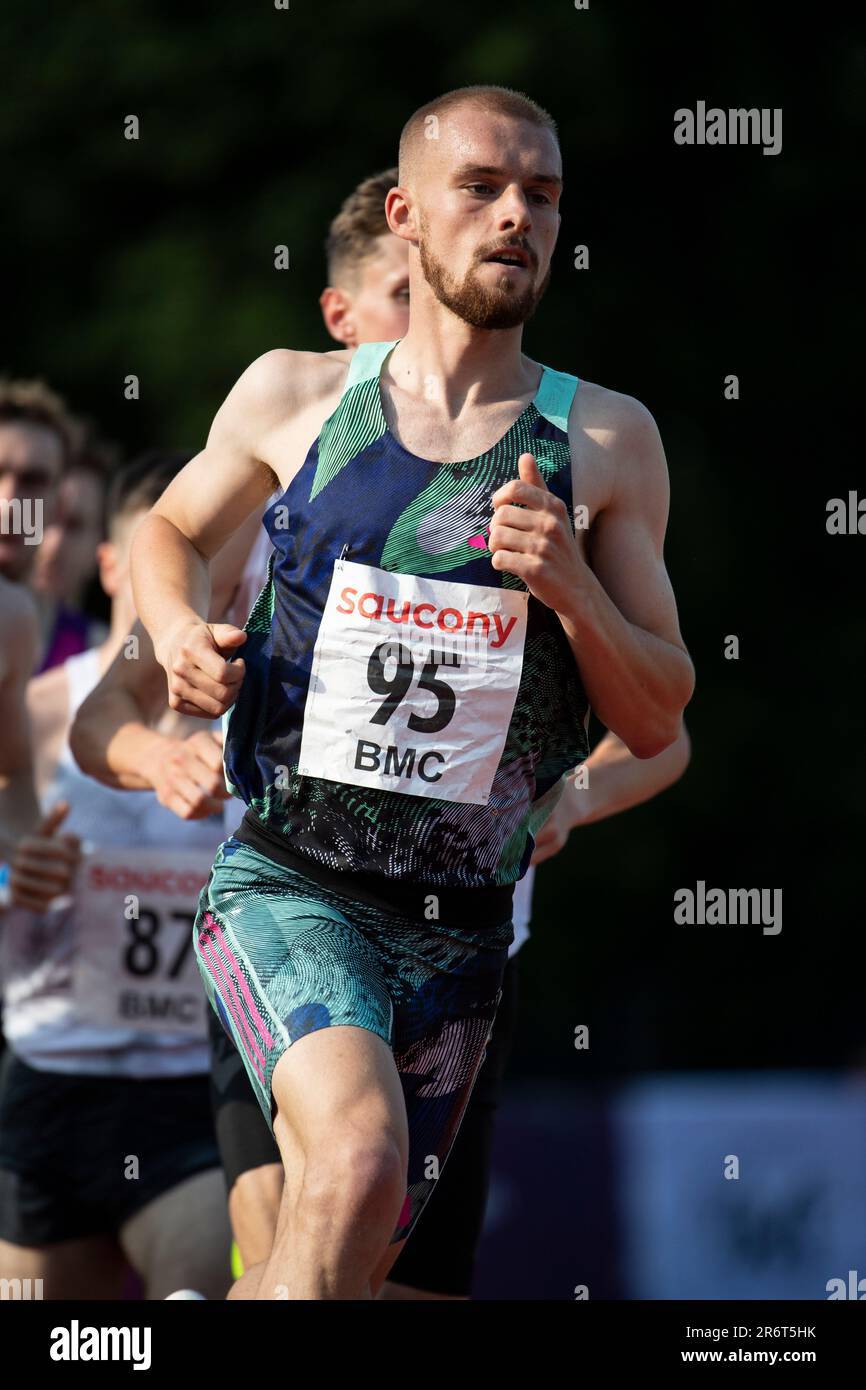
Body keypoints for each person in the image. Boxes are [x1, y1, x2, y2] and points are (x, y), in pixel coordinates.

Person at [127, 84, 693, 1302]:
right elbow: (168, 531)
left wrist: (575, 594)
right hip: (291, 881)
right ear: (406, 214)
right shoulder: (297, 393)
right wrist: (176, 627)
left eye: (539, 194)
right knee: (356, 1161)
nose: (514, 217)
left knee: (359, 1275)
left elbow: (658, 715)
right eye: (480, 188)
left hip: (461, 935)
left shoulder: (602, 442)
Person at [0, 451, 232, 1299]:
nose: (179, 597)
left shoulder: (260, 739)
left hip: (191, 1089)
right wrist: (9, 876)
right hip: (50, 1079)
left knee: (202, 1280)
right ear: (110, 564)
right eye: (153, 565)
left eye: (201, 570)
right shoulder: (33, 712)